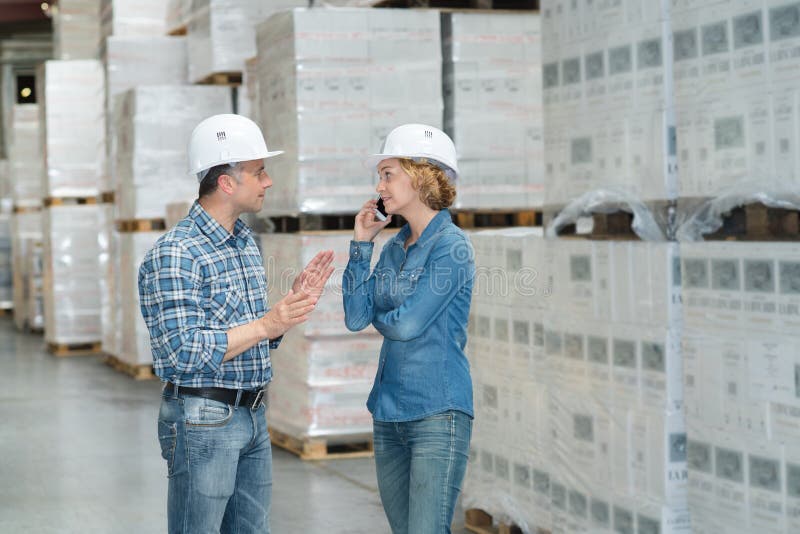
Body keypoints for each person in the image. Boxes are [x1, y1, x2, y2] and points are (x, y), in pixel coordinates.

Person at [138, 113, 334, 534]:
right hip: (202, 418)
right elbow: (183, 350)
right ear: (227, 182)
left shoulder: (243, 242)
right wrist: (267, 324)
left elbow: (250, 336)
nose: (268, 182)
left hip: (252, 414)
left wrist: (284, 314)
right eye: (259, 172)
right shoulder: (176, 253)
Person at [342, 123, 475, 534]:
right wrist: (362, 244)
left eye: (388, 174)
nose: (379, 186)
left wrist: (386, 317)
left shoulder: (452, 247)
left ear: (421, 175)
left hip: (437, 412)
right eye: (379, 175)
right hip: (389, 414)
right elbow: (355, 317)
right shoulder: (394, 248)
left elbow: (407, 325)